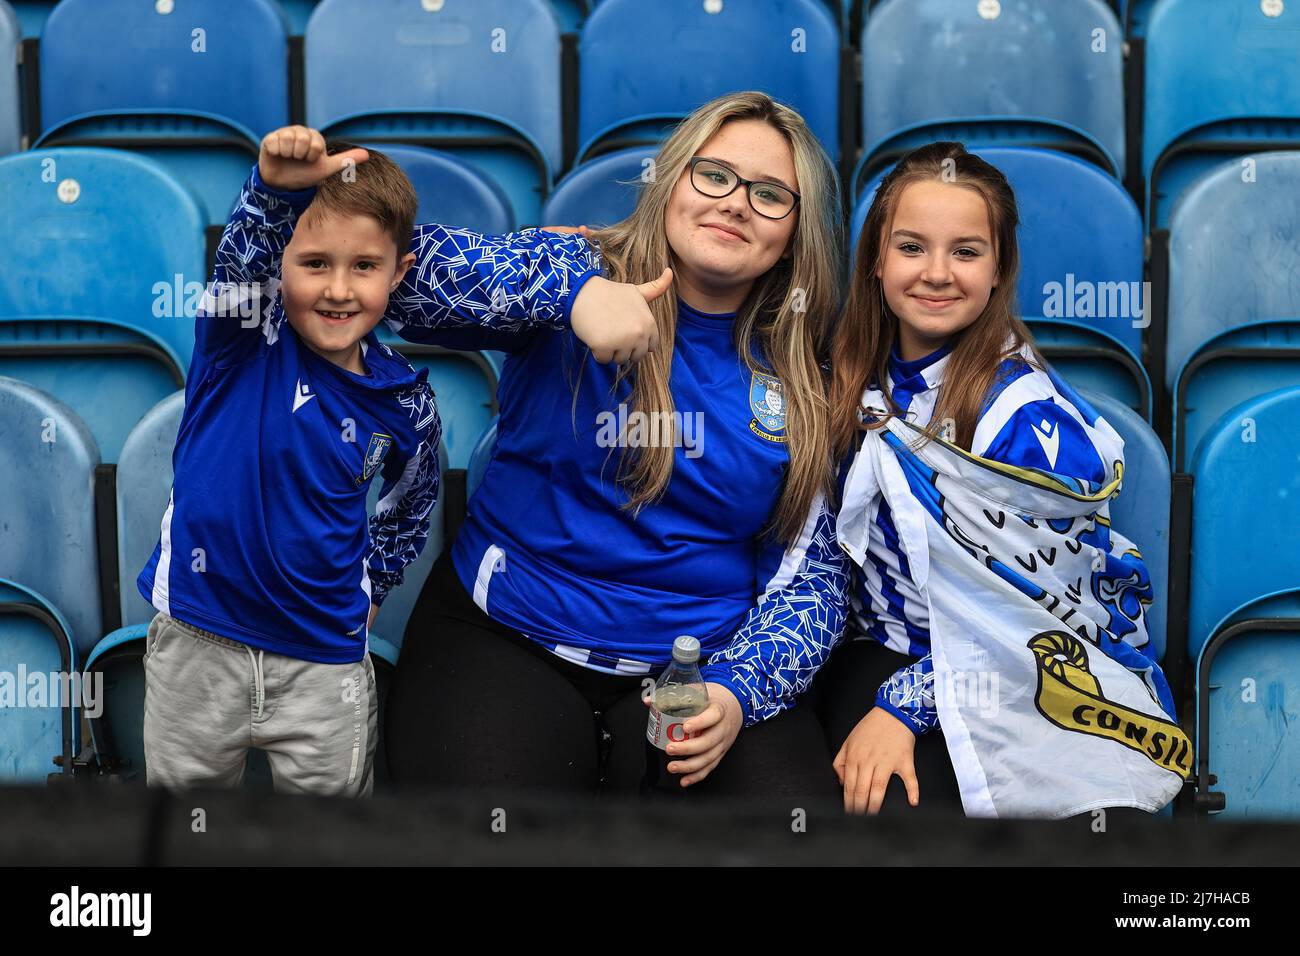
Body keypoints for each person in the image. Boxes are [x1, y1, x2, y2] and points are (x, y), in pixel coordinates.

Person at [139, 126, 659, 796]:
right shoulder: (241, 337)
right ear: (280, 267)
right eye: (315, 263)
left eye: (364, 267)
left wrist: (374, 590)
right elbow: (243, 255)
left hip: (325, 664)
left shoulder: (405, 402)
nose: (338, 289)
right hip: (198, 642)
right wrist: (270, 190)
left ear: (399, 274)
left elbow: (410, 504)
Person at [385, 92, 850, 806]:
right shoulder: (571, 265)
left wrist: (735, 693)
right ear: (669, 182)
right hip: (506, 636)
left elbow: (814, 580)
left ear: (793, 234)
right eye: (714, 174)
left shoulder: (806, 370)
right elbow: (390, 279)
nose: (734, 203)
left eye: (769, 195)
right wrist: (567, 293)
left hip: (702, 669)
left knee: (794, 831)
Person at [811, 142, 1189, 820]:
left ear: (998, 269)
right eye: (910, 247)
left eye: (965, 251)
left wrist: (904, 707)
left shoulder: (1028, 415)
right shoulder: (847, 381)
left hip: (1022, 665)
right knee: (891, 809)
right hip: (891, 649)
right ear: (875, 260)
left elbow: (1045, 618)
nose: (936, 273)